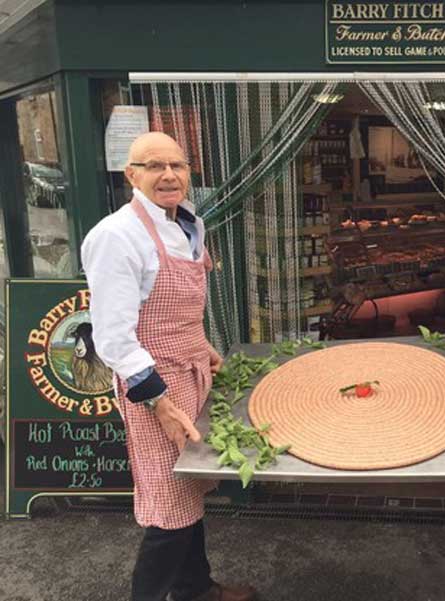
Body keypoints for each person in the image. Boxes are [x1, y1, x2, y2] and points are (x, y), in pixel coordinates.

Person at [82, 132, 256, 601]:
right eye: (154, 166)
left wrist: (202, 345)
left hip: (190, 369)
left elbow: (178, 307)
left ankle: (196, 590)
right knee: (168, 503)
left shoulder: (188, 223)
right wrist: (159, 402)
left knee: (188, 489)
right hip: (153, 385)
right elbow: (113, 337)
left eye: (177, 165)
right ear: (131, 175)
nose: (168, 175)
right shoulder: (116, 236)